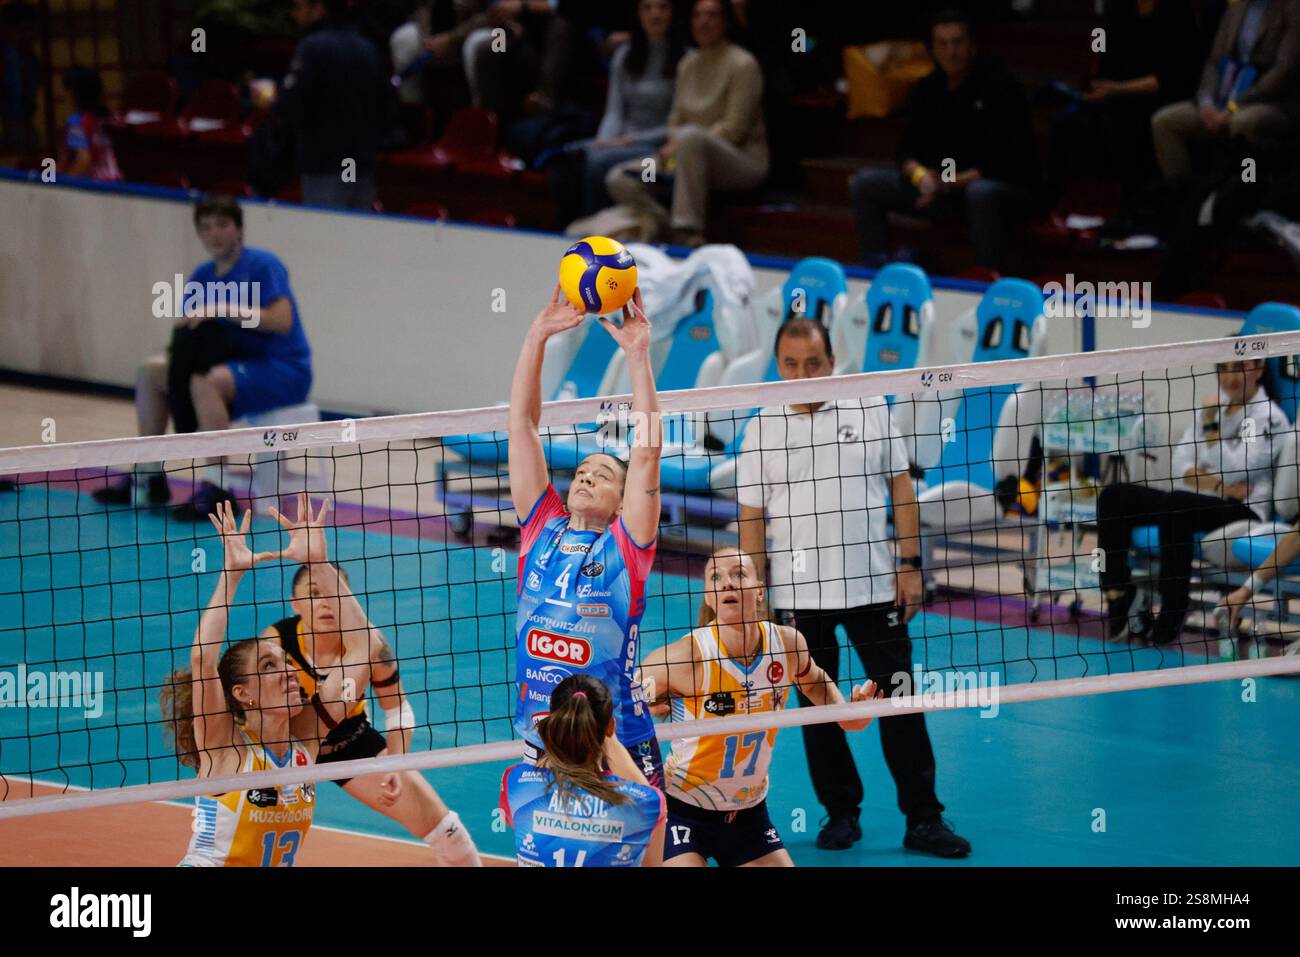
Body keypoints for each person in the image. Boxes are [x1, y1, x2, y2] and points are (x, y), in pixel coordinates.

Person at [736, 317, 970, 858]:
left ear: (832, 360)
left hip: (873, 587)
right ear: (779, 366)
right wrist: (755, 588)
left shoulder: (869, 407)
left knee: (900, 703)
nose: (802, 375)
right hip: (799, 597)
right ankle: (840, 814)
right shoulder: (762, 427)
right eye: (791, 365)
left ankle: (924, 820)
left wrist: (910, 564)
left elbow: (902, 490)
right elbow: (751, 517)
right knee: (819, 712)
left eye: (812, 364)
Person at [258, 493, 482, 865]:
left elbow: (398, 710)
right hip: (291, 746)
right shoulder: (275, 643)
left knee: (447, 829)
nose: (326, 603)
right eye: (312, 595)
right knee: (257, 839)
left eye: (333, 593)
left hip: (351, 742)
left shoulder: (370, 645)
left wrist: (396, 764)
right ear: (295, 604)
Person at [508, 284, 665, 786]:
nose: (586, 476)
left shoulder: (625, 547)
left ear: (623, 504)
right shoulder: (541, 529)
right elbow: (522, 427)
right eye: (581, 470)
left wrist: (638, 355)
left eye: (602, 474)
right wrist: (536, 337)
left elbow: (646, 453)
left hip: (616, 739)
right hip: (542, 737)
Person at [639, 547, 879, 867]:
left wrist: (853, 715)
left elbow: (825, 697)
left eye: (738, 575)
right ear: (709, 597)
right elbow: (621, 700)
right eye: (716, 578)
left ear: (760, 591)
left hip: (749, 815)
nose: (727, 583)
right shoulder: (686, 658)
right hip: (683, 811)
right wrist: (651, 704)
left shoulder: (788, 645)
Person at [93, 195, 312, 519]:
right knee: (150, 372)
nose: (214, 234)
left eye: (222, 225)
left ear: (239, 229)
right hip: (230, 366)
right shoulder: (201, 277)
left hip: (281, 369)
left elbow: (281, 321)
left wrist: (222, 309)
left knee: (204, 383)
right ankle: (149, 475)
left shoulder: (263, 265)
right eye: (206, 227)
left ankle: (218, 488)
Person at [160, 501, 318, 866]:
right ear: (242, 693)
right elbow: (203, 658)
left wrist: (320, 564)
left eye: (286, 662)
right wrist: (232, 573)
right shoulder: (225, 748)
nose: (288, 672)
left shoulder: (305, 746)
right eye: (268, 666)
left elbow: (358, 646)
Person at [1100, 356, 1295, 644]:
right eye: (1224, 369)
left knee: (1177, 504)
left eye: (1238, 368)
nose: (1230, 378)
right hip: (1197, 500)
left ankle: (1174, 602)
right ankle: (1118, 592)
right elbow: (1180, 465)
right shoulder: (1210, 411)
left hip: (1244, 510)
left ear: (1257, 369)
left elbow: (1239, 467)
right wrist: (1218, 483)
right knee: (1114, 496)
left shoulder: (1267, 417)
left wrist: (1210, 434)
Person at [847, 8, 1039, 270]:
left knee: (980, 194)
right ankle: (877, 269)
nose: (951, 52)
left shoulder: (999, 86)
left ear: (971, 45)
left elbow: (1007, 160)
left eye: (958, 42)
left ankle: (987, 277)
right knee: (865, 183)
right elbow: (906, 151)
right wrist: (921, 178)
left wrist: (948, 184)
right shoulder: (925, 89)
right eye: (943, 44)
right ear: (933, 50)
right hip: (939, 187)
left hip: (993, 188)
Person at [604, 0, 767, 247]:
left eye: (712, 16)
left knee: (690, 137)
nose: (704, 22)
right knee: (622, 177)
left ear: (725, 22)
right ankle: (665, 224)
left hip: (739, 160)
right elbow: (675, 118)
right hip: (682, 156)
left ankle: (686, 230)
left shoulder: (743, 64)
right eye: (698, 16)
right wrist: (673, 143)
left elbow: (734, 129)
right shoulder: (687, 64)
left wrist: (682, 142)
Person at [500, 674, 666, 866]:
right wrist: (610, 740)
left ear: (554, 723)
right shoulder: (646, 803)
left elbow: (513, 818)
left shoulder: (515, 782)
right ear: (610, 727)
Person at [554, 0, 680, 223]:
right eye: (648, 8)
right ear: (638, 13)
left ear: (673, 13)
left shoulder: (684, 60)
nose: (655, 14)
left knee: (597, 164)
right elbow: (614, 111)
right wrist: (604, 141)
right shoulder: (625, 54)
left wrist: (626, 141)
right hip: (620, 140)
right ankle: (565, 232)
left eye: (662, 8)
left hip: (656, 146)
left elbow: (677, 122)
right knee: (566, 158)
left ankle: (595, 237)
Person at [1150, 0, 1300, 182]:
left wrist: (1234, 106)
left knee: (1242, 122)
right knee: (1165, 121)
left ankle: (1245, 192)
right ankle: (1183, 198)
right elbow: (1214, 62)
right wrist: (1206, 102)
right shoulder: (1236, 8)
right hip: (1223, 97)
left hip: (1269, 101)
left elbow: (1284, 72)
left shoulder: (1292, 8)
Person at [277, 0, 390, 209]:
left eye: (298, 7)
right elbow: (385, 104)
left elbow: (290, 102)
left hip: (324, 164)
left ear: (318, 9)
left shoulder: (312, 47)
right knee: (355, 229)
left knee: (327, 232)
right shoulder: (366, 47)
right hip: (359, 163)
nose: (293, 15)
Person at [59, 65, 121, 182]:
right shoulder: (110, 117)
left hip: (93, 185)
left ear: (72, 92)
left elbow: (84, 160)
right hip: (115, 182)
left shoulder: (77, 123)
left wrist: (64, 182)